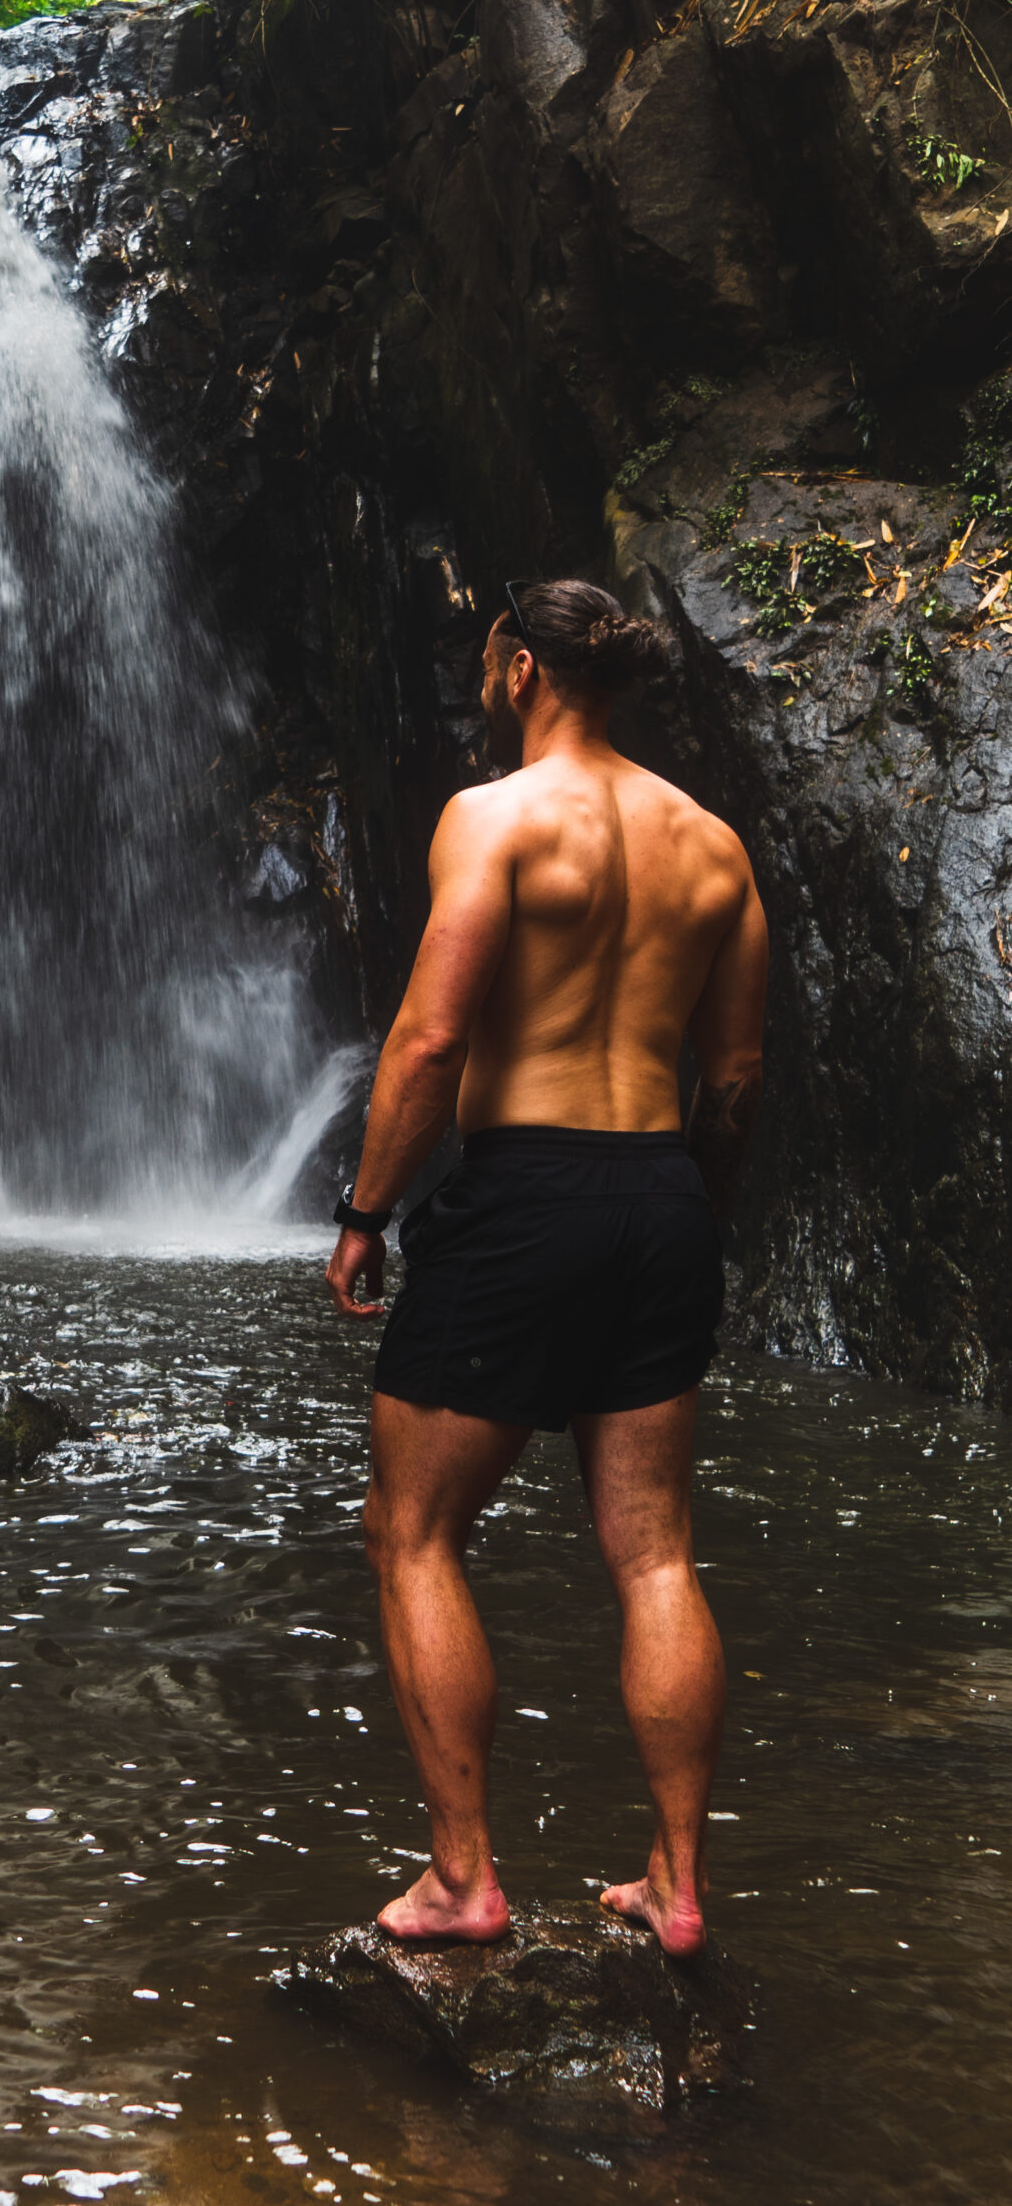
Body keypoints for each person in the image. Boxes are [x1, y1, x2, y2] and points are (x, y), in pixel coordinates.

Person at [323, 578, 767, 1958]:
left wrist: (368, 1209)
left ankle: (463, 1878)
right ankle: (679, 1888)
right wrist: (688, 1204)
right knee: (655, 1556)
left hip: (525, 1196)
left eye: (486, 659)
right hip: (661, 1193)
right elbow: (737, 1071)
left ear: (518, 669)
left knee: (411, 1534)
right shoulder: (714, 846)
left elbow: (430, 1039)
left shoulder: (495, 819)